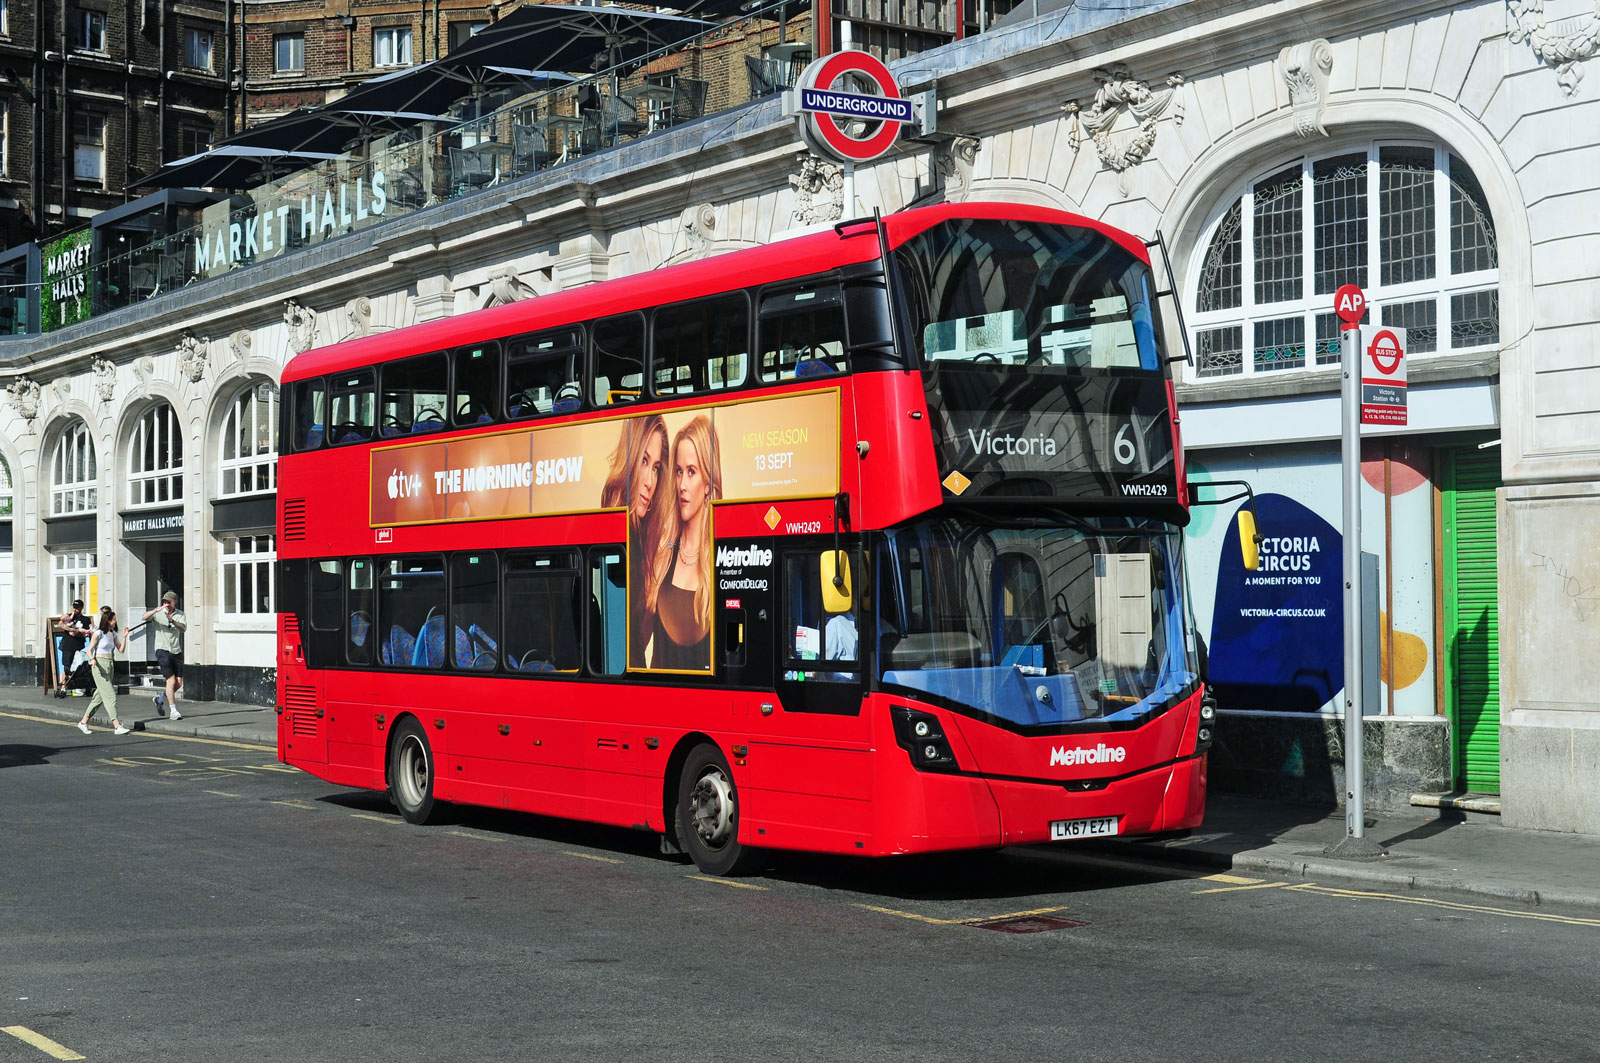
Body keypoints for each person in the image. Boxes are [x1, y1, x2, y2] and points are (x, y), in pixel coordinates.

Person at [645, 414, 720, 671]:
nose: (682, 485)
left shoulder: (721, 559)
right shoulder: (664, 552)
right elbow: (637, 641)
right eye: (678, 472)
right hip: (660, 700)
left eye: (691, 472)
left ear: (708, 481)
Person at [600, 415, 669, 667]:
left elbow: (635, 639)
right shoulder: (619, 531)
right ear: (629, 459)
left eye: (656, 468)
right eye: (643, 461)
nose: (650, 482)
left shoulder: (636, 535)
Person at [77, 607, 132, 736]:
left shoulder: (112, 633)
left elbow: (121, 650)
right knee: (110, 696)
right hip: (99, 665)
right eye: (113, 620)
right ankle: (117, 726)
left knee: (99, 697)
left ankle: (83, 722)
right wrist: (92, 660)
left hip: (110, 664)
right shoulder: (98, 633)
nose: (115, 622)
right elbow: (89, 650)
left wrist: (124, 637)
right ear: (107, 620)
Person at [142, 590, 186, 720]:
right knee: (171, 680)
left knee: (178, 683)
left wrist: (172, 621)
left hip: (176, 650)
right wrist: (156, 610)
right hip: (162, 649)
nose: (166, 604)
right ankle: (173, 711)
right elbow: (144, 617)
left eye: (168, 602)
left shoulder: (180, 614)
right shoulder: (158, 613)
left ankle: (159, 699)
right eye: (164, 602)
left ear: (174, 602)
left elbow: (183, 628)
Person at [55, 598, 93, 696]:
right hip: (68, 645)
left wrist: (78, 633)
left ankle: (84, 687)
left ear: (81, 608)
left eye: (77, 607)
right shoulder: (68, 617)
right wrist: (71, 630)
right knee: (67, 667)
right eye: (74, 607)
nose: (75, 609)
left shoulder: (85, 620)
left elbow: (88, 631)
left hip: (79, 645)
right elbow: (60, 625)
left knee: (80, 667)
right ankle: (63, 687)